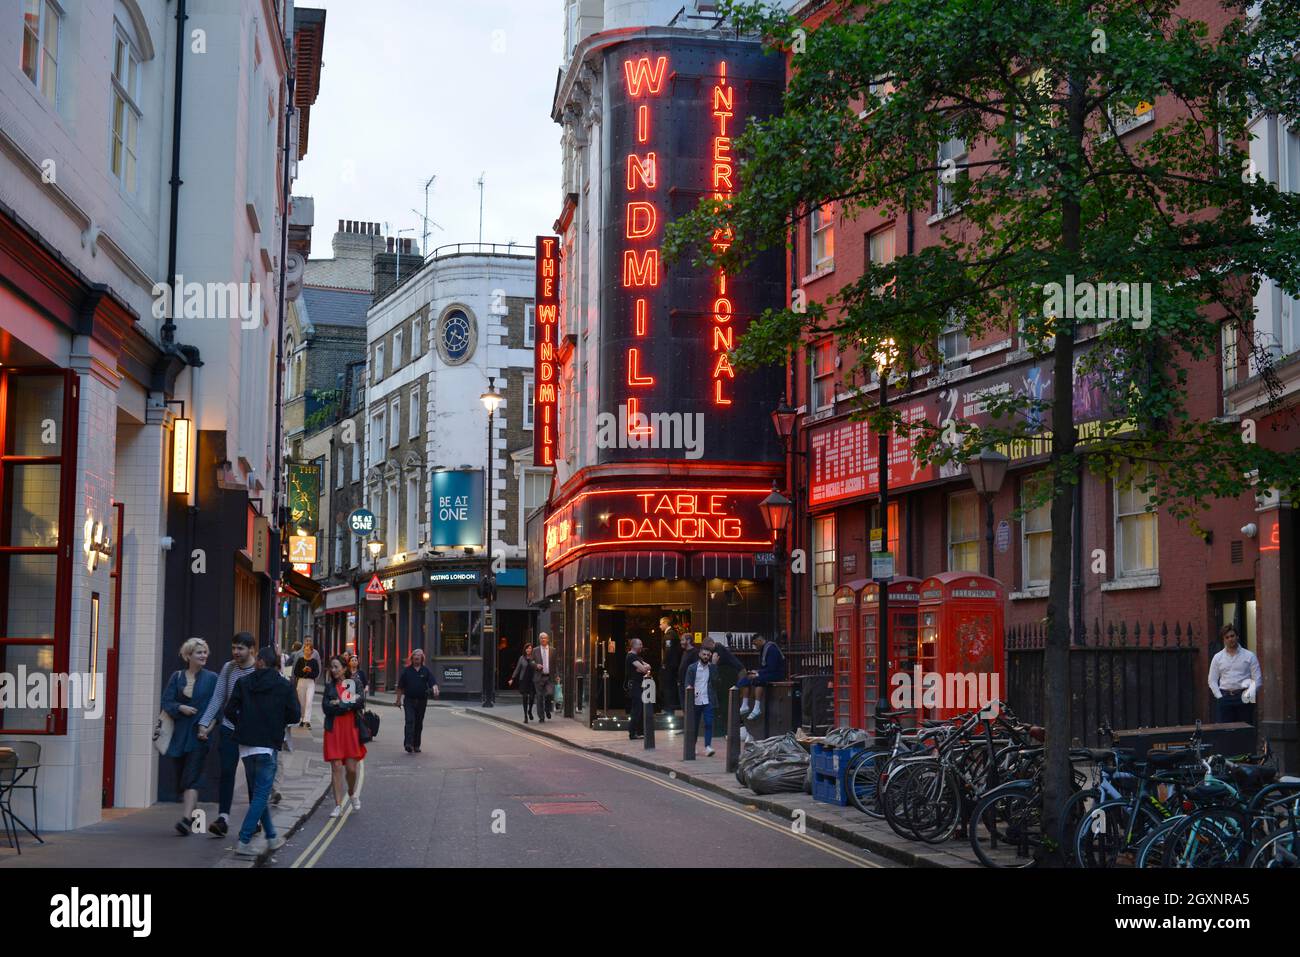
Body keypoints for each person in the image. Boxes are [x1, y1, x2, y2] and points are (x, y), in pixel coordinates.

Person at [224, 646, 300, 857]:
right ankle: (244, 839)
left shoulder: (244, 682)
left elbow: (229, 711)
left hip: (246, 747)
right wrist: (277, 721)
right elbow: (295, 715)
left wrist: (244, 724)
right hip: (268, 746)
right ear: (275, 664)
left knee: (259, 795)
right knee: (261, 795)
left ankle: (272, 836)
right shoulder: (283, 685)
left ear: (259, 662)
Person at [197, 632, 258, 838]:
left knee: (252, 776)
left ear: (251, 649)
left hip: (251, 732)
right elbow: (218, 697)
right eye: (233, 648)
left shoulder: (259, 669)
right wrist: (204, 723)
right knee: (226, 773)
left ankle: (254, 818)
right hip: (229, 727)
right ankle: (223, 818)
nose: (235, 652)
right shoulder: (228, 667)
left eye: (240, 648)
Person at [161, 637, 217, 835]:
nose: (203, 656)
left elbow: (216, 707)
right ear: (188, 655)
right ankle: (193, 816)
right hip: (179, 736)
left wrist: (207, 729)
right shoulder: (177, 677)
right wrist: (180, 707)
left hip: (200, 736)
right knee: (182, 779)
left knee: (192, 777)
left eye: (204, 652)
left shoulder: (212, 678)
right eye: (198, 652)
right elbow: (166, 702)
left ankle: (186, 820)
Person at [321, 655, 367, 817]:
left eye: (336, 667)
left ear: (344, 668)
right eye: (331, 667)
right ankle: (338, 805)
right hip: (333, 730)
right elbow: (326, 708)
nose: (333, 670)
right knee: (336, 767)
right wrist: (346, 704)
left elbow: (360, 702)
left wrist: (339, 704)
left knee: (351, 769)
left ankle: (352, 793)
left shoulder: (354, 684)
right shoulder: (329, 687)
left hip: (350, 730)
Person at [1208, 624, 1263, 725]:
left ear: (1237, 636)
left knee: (1245, 731)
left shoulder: (1249, 656)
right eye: (1227, 637)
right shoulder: (1217, 657)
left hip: (1245, 697)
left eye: (1232, 636)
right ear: (1223, 639)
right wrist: (1219, 697)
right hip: (1224, 697)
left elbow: (1258, 679)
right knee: (1225, 732)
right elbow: (1212, 680)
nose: (1230, 639)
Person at [395, 648, 439, 753]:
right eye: (415, 657)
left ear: (422, 658)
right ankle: (408, 744)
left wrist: (435, 688)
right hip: (409, 700)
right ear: (412, 658)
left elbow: (433, 682)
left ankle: (416, 745)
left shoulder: (426, 670)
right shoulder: (406, 671)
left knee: (419, 723)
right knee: (410, 721)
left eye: (418, 657)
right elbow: (400, 687)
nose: (416, 658)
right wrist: (398, 700)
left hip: (422, 701)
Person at [737, 635, 786, 721]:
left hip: (777, 674)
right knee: (745, 680)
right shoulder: (764, 649)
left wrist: (758, 674)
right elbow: (765, 667)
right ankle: (744, 705)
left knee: (758, 680)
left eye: (755, 644)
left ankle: (757, 708)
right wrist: (756, 672)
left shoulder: (771, 649)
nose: (755, 647)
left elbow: (772, 668)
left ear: (759, 640)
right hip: (768, 672)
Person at [685, 645, 718, 757]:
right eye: (704, 654)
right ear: (699, 654)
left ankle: (707, 747)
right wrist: (689, 689)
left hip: (707, 699)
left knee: (709, 723)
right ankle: (692, 746)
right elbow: (688, 683)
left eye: (708, 655)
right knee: (694, 725)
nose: (706, 657)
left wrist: (714, 665)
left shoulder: (711, 667)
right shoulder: (692, 668)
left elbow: (715, 681)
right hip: (695, 700)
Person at [625, 638, 651, 740]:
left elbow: (649, 667)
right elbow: (645, 669)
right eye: (640, 644)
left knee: (639, 708)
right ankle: (632, 732)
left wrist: (643, 668)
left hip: (639, 685)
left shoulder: (636, 657)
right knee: (636, 709)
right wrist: (643, 669)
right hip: (635, 685)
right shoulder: (631, 656)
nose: (641, 646)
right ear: (633, 645)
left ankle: (638, 732)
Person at [293, 641, 321, 728]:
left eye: (308, 650)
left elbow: (316, 673)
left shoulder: (314, 662)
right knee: (301, 702)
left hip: (310, 682)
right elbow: (296, 672)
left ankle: (307, 720)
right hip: (301, 681)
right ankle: (302, 718)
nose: (307, 652)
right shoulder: (300, 660)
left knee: (309, 701)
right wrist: (303, 670)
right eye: (305, 650)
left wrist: (310, 671)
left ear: (311, 652)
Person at [509, 641, 536, 722]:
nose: (528, 650)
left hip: (532, 681)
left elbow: (537, 667)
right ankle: (525, 716)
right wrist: (512, 678)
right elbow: (517, 669)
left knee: (531, 697)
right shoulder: (521, 658)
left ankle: (530, 711)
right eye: (527, 648)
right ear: (525, 650)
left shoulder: (534, 658)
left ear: (532, 650)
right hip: (523, 680)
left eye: (530, 648)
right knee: (525, 697)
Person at [531, 633, 556, 721]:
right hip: (539, 677)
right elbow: (531, 661)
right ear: (539, 640)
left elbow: (555, 664)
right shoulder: (535, 650)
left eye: (545, 638)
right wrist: (536, 665)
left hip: (549, 677)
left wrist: (557, 676)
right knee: (539, 697)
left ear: (548, 639)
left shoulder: (553, 650)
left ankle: (547, 709)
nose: (543, 640)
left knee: (549, 694)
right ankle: (541, 717)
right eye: (541, 638)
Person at [660, 617, 681, 716]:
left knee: (668, 688)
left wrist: (664, 664)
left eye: (660, 624)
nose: (659, 626)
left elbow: (668, 652)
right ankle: (669, 708)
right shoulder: (672, 634)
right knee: (669, 687)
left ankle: (668, 709)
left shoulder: (669, 635)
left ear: (665, 623)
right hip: (672, 666)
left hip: (669, 667)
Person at [676, 631, 695, 717]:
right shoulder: (684, 652)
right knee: (683, 705)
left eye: (682, 640)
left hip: (689, 685)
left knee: (688, 706)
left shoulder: (694, 653)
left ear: (688, 641)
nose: (681, 642)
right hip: (681, 683)